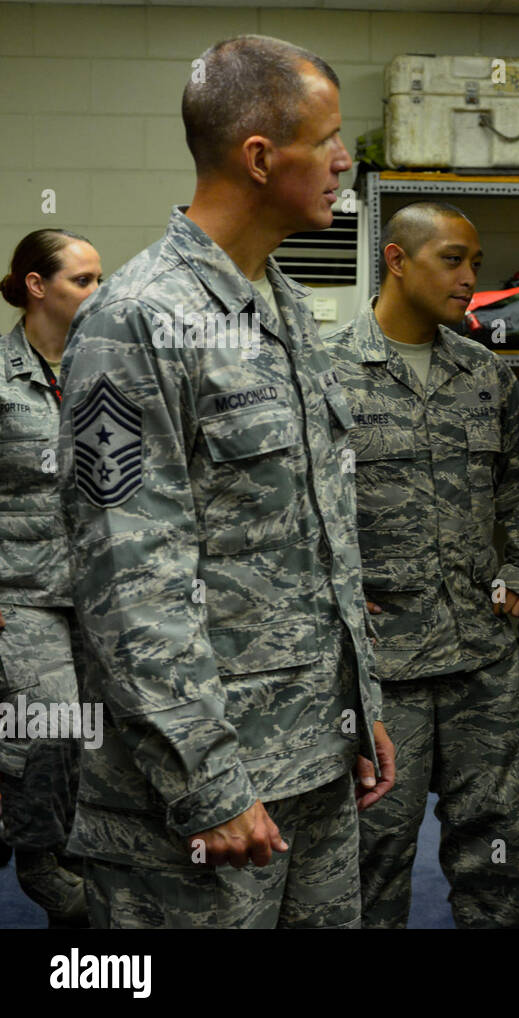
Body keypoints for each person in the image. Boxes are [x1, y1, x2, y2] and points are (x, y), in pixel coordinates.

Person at [57, 34, 394, 929]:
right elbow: (131, 589)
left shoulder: (277, 306)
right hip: (202, 803)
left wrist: (359, 711)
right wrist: (207, 780)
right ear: (258, 157)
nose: (341, 164)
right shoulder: (134, 322)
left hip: (314, 770)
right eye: (328, 140)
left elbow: (316, 537)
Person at [324, 201, 519, 928]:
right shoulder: (326, 374)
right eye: (453, 260)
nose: (469, 280)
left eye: (476, 264)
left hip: (480, 667)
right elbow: (282, 509)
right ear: (398, 261)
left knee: (495, 854)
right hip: (379, 675)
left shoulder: (484, 375)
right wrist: (326, 598)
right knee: (372, 860)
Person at [0, 229, 102, 926]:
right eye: (85, 281)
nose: (101, 293)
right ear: (38, 286)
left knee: (102, 740)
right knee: (54, 718)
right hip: (22, 596)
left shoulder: (109, 375)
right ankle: (39, 857)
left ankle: (80, 877)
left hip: (102, 598)